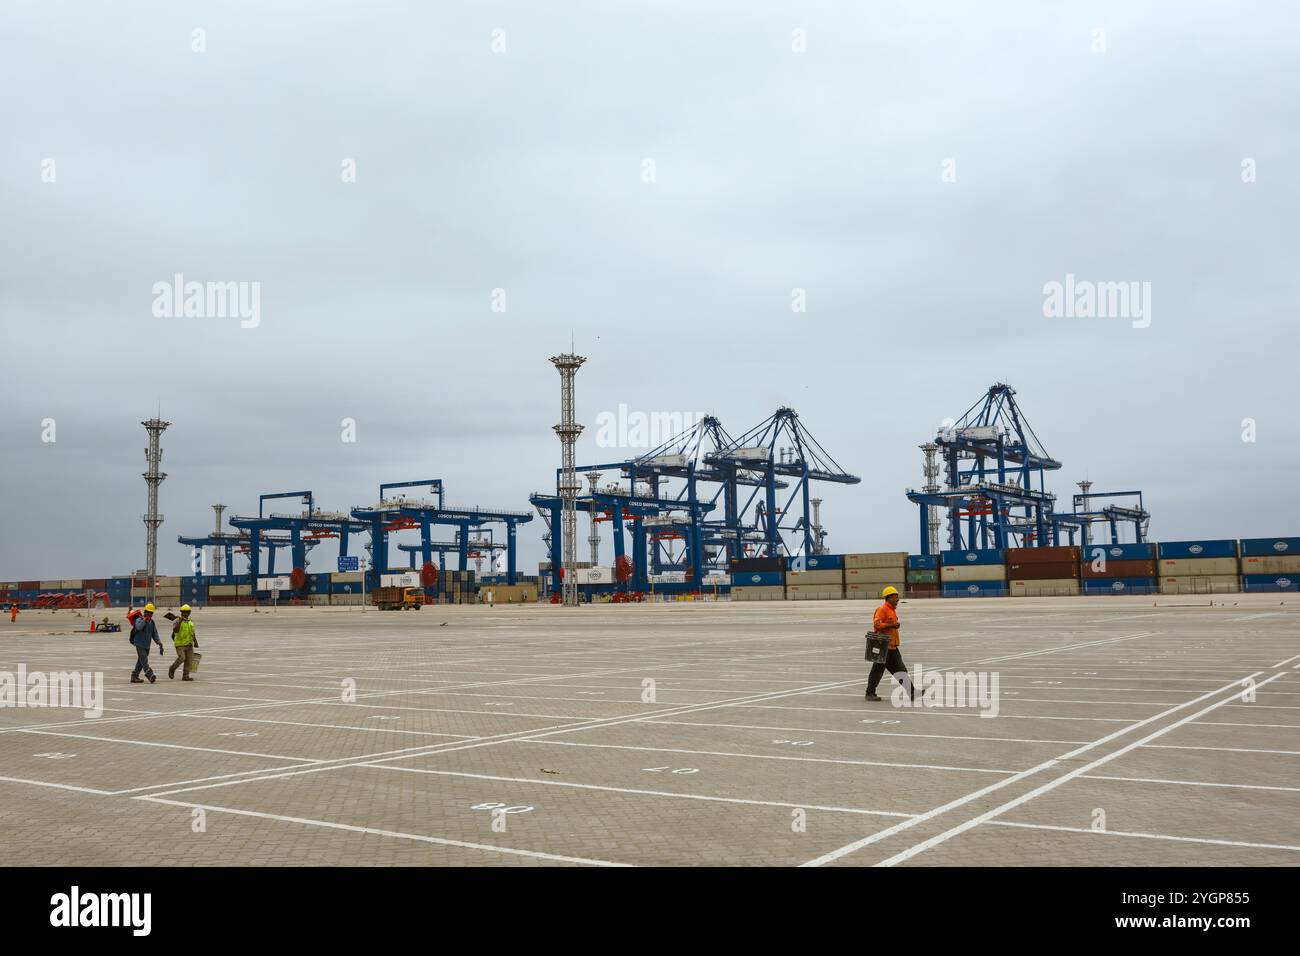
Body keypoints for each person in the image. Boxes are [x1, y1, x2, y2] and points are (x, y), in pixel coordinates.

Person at [866, 586, 914, 702]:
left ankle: (912, 692)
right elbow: (877, 624)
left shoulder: (892, 610)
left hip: (892, 646)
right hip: (883, 646)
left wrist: (894, 625)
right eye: (895, 597)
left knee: (900, 670)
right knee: (877, 670)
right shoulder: (882, 609)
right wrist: (891, 625)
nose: (898, 599)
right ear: (888, 598)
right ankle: (870, 693)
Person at [129, 603, 165, 684]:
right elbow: (139, 627)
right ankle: (150, 674)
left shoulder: (152, 622)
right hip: (139, 644)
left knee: (140, 662)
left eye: (151, 613)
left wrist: (158, 642)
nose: (149, 614)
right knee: (144, 660)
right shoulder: (139, 620)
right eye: (148, 612)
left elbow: (154, 633)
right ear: (144, 612)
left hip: (147, 645)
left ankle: (134, 676)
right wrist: (145, 620)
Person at [169, 604, 199, 681]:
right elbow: (175, 630)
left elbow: (192, 632)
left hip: (189, 644)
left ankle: (185, 676)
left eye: (187, 612)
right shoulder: (177, 620)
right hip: (180, 644)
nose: (185, 613)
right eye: (183, 612)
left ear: (189, 613)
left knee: (189, 660)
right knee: (182, 658)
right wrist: (180, 621)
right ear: (181, 612)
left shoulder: (190, 622)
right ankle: (172, 668)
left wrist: (195, 642)